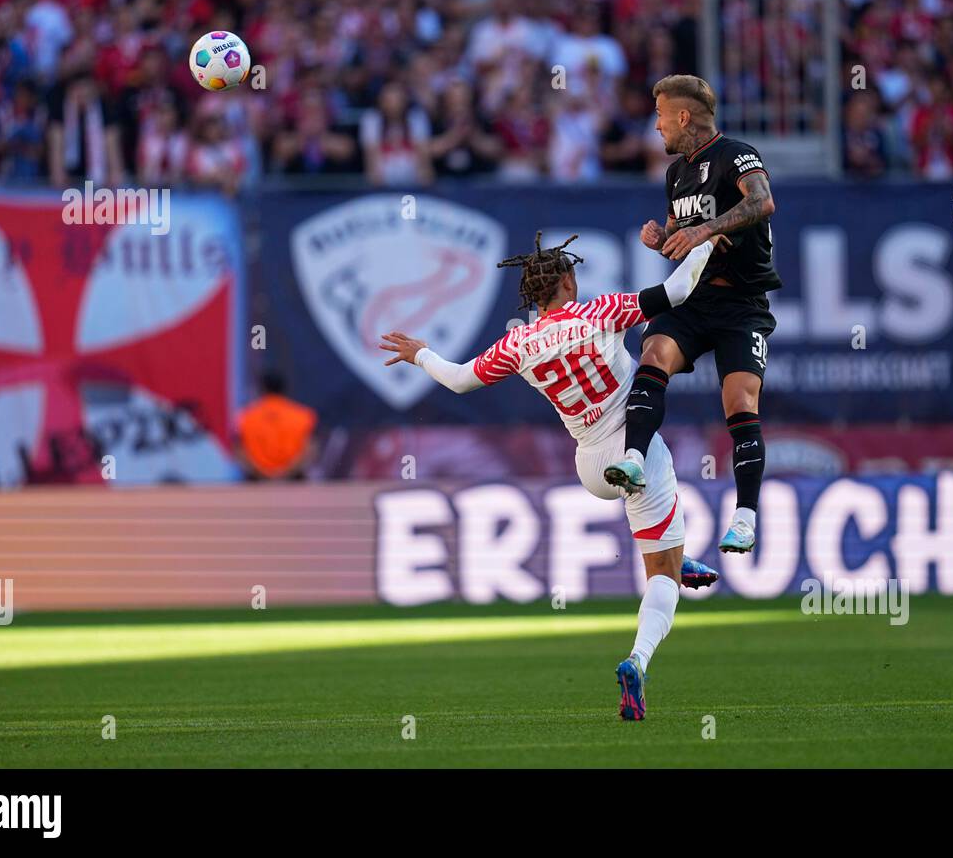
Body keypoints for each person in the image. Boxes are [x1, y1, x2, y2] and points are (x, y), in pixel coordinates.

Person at [381, 232, 723, 722]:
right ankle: (638, 659)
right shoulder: (600, 312)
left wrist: (420, 354)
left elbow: (458, 379)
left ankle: (678, 553)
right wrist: (707, 240)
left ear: (531, 294)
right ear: (569, 280)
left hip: (588, 462)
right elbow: (676, 290)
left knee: (659, 538)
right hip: (634, 448)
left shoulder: (519, 343)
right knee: (661, 575)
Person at [604, 74, 779, 557]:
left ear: (684, 116)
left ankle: (744, 518)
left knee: (740, 399)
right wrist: (665, 240)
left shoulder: (736, 154)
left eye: (661, 117)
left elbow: (762, 201)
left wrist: (704, 231)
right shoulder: (675, 174)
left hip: (741, 305)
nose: (656, 128)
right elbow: (685, 240)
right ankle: (634, 459)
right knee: (653, 353)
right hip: (693, 301)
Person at [234, 372, 318, 481]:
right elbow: (310, 449)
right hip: (294, 482)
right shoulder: (303, 416)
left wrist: (263, 473)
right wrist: (286, 473)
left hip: (256, 483)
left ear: (262, 389)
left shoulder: (245, 417)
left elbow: (239, 451)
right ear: (285, 389)